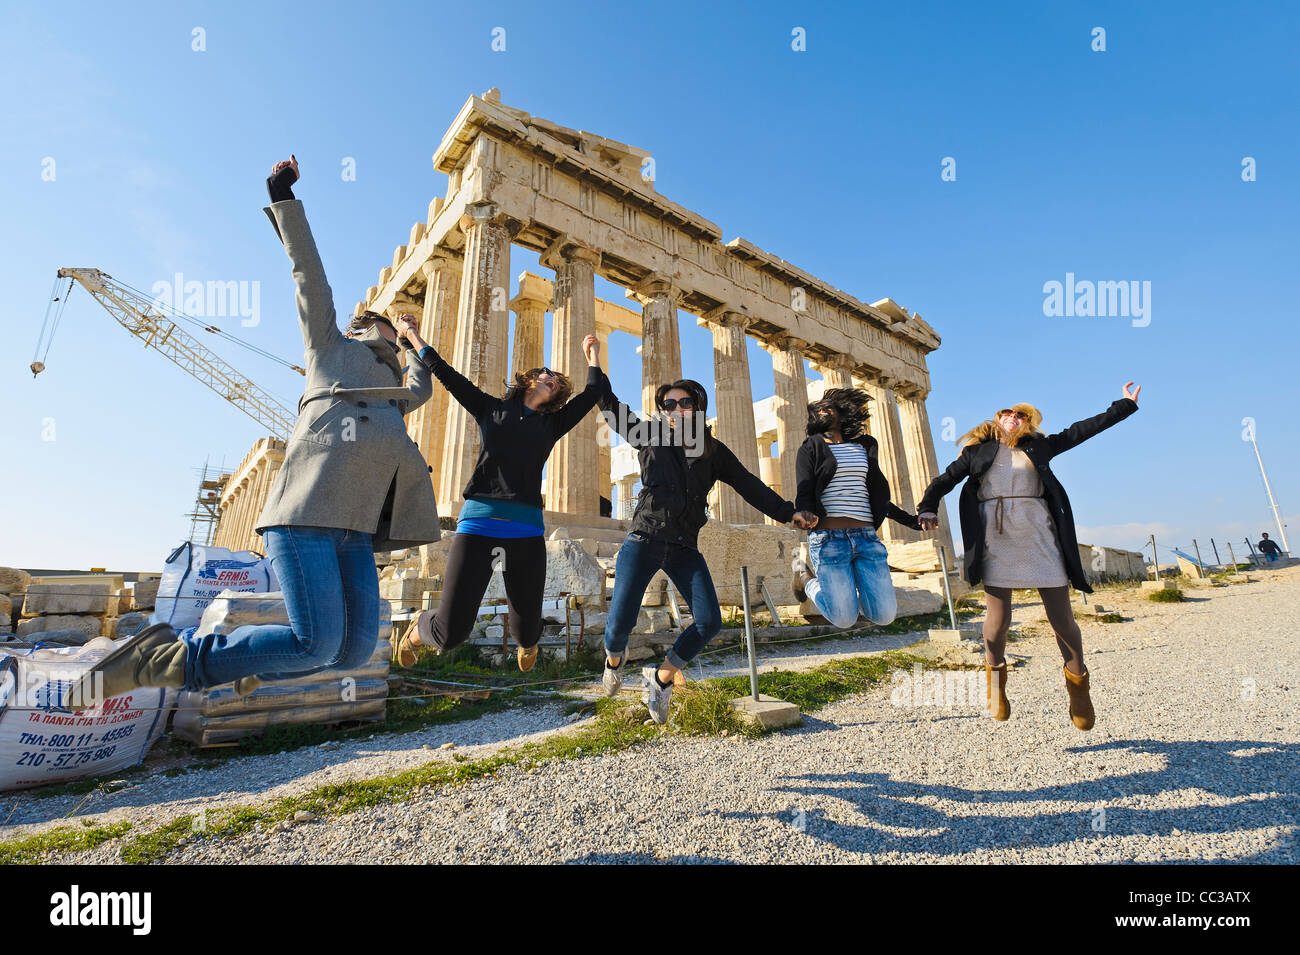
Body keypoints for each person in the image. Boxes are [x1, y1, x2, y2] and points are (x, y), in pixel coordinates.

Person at [72, 156, 441, 706]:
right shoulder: (332, 351)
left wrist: (414, 343)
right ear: (366, 328)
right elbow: (309, 276)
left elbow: (423, 388)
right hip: (306, 517)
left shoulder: (395, 394)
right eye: (389, 327)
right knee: (315, 645)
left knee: (352, 650)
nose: (395, 334)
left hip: (357, 531)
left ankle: (246, 665)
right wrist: (283, 197)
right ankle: (169, 658)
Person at [914, 383, 1142, 731]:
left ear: (1028, 424)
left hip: (1039, 535)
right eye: (1009, 412)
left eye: (1022, 415)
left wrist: (1123, 405)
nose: (1014, 417)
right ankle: (995, 683)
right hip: (996, 537)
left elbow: (1083, 430)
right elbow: (942, 481)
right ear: (999, 419)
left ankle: (1078, 686)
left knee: (1062, 617)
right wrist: (927, 508)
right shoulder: (976, 453)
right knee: (999, 617)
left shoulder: (1041, 447)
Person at [595, 377, 814, 723]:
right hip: (645, 538)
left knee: (710, 621)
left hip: (684, 546)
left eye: (684, 403)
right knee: (619, 624)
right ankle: (613, 661)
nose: (677, 409)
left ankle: (661, 679)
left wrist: (788, 512)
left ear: (697, 407)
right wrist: (593, 363)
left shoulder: (713, 451)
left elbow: (749, 486)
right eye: (669, 405)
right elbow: (610, 406)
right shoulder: (648, 436)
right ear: (663, 412)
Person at [396, 332, 607, 671]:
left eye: (555, 380)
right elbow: (446, 374)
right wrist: (412, 336)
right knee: (450, 633)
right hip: (478, 526)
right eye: (545, 373)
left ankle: (528, 642)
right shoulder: (489, 408)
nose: (551, 378)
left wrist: (592, 354)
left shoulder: (552, 424)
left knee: (526, 633)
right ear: (527, 380)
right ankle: (419, 629)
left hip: (525, 533)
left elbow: (593, 393)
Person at [790, 389, 922, 628]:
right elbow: (805, 491)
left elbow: (877, 495)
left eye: (827, 406)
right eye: (816, 409)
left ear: (841, 413)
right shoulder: (809, 448)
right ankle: (805, 578)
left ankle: (840, 592)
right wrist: (804, 512)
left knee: (884, 615)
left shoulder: (865, 446)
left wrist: (912, 520)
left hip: (866, 538)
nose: (821, 410)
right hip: (829, 539)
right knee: (843, 619)